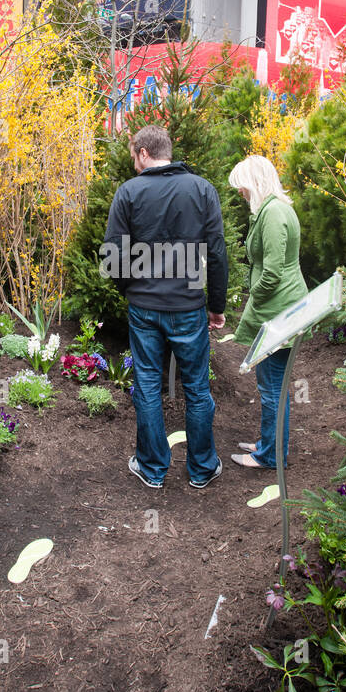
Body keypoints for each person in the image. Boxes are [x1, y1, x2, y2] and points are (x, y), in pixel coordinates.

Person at [102, 125, 228, 489]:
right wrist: (215, 306)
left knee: (147, 386)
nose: (133, 162)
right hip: (188, 305)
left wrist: (133, 288)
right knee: (197, 388)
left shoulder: (129, 192)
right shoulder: (202, 190)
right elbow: (216, 253)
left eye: (132, 155)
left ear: (143, 152)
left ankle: (153, 468)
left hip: (144, 309)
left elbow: (113, 256)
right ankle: (202, 468)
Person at [227, 156, 308, 470]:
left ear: (255, 182)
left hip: (279, 308)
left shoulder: (273, 213)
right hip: (281, 305)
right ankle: (269, 443)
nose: (240, 193)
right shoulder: (274, 209)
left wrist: (254, 300)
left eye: (242, 186)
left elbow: (272, 272)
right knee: (272, 381)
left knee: (272, 385)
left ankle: (271, 456)